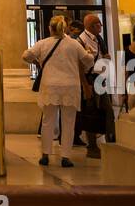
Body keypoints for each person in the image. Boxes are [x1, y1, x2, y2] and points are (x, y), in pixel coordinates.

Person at [22, 15, 95, 168]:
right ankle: (65, 157)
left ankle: (45, 155)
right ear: (65, 28)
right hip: (70, 87)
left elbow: (26, 56)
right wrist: (89, 52)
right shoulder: (74, 44)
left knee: (48, 121)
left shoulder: (43, 44)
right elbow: (88, 60)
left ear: (50, 28)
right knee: (68, 122)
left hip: (50, 87)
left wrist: (39, 62)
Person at [76, 13, 116, 156]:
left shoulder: (99, 39)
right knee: (91, 112)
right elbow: (79, 65)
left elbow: (104, 55)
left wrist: (106, 58)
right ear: (91, 26)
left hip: (100, 79)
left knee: (108, 110)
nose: (101, 26)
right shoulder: (80, 41)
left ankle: (112, 141)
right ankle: (92, 147)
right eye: (99, 23)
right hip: (90, 80)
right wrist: (85, 85)